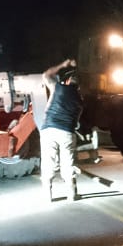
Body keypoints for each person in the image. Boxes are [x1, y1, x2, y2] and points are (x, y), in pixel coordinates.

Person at [40, 58, 83, 202]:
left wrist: (63, 64)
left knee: (48, 161)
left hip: (49, 129)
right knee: (68, 163)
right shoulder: (79, 101)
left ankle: (47, 195)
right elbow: (76, 122)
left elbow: (46, 75)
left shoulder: (57, 88)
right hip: (67, 132)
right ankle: (71, 195)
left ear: (67, 81)